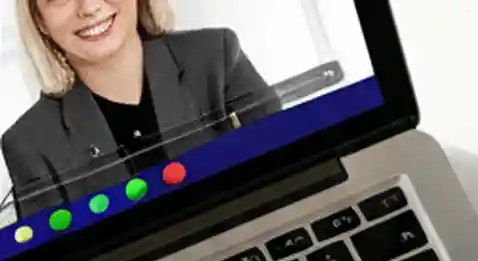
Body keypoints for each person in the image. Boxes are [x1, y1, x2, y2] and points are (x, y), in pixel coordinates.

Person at [2, 0, 282, 218]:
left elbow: (289, 171)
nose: (89, 7)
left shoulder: (217, 56)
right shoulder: (28, 144)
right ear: (40, 20)